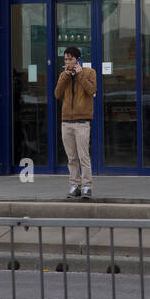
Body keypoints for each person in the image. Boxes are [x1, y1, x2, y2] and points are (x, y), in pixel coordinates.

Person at [53, 45, 97, 199]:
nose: (67, 62)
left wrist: (79, 76)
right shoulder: (63, 75)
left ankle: (87, 186)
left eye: (70, 59)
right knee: (71, 157)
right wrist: (66, 76)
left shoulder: (89, 72)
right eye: (65, 59)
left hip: (82, 121)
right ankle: (74, 185)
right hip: (66, 121)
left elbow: (91, 90)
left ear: (78, 59)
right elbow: (57, 94)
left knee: (83, 156)